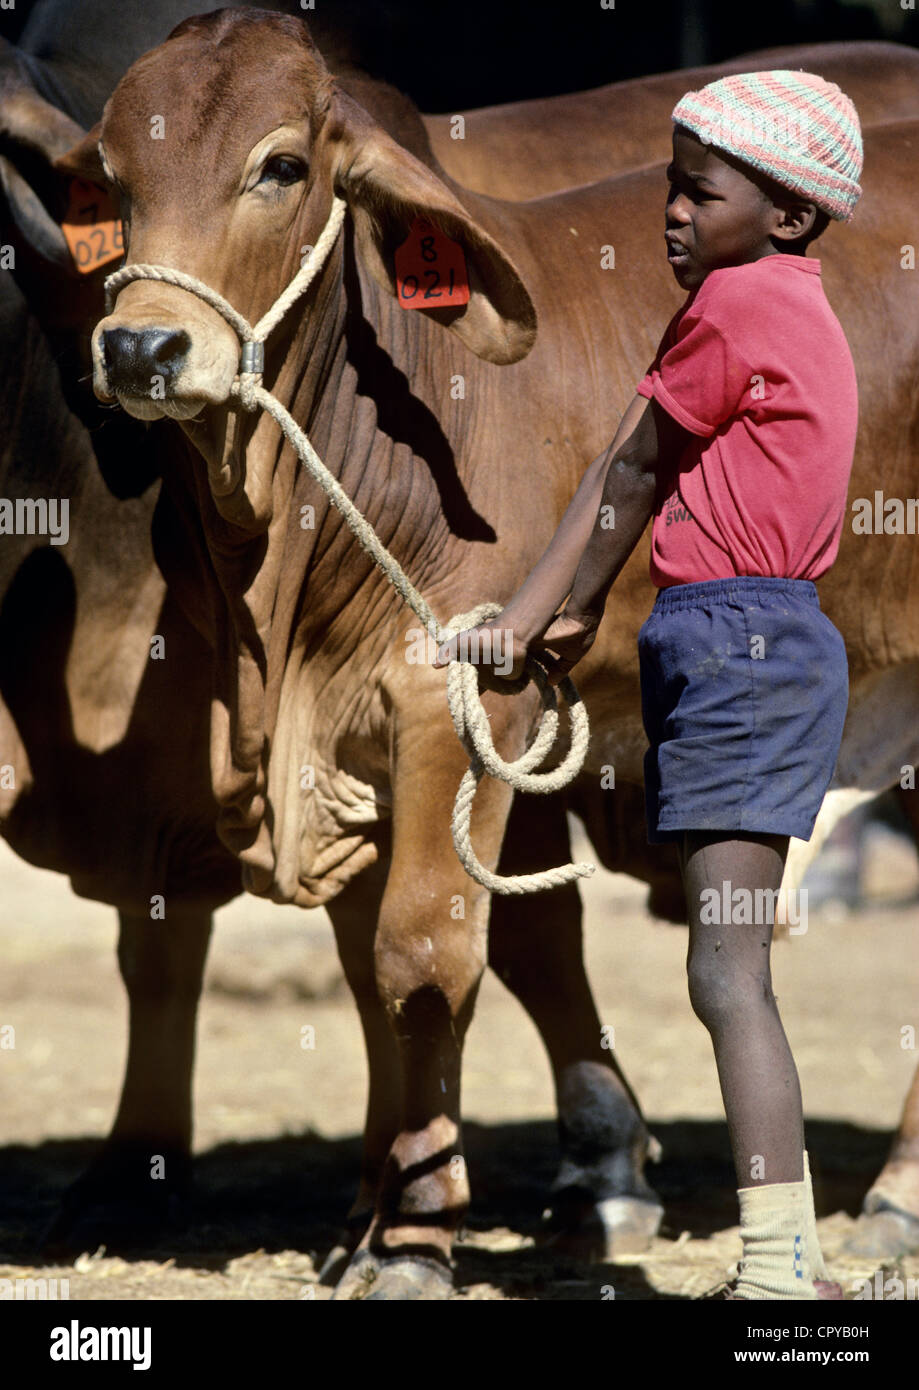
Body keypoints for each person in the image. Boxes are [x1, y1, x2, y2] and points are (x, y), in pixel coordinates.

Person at [434, 70, 863, 1300]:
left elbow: (626, 470)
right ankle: (789, 1260)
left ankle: (783, 1271)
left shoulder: (734, 304)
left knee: (726, 972)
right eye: (670, 185)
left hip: (737, 643)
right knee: (728, 965)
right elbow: (666, 479)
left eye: (696, 190)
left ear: (784, 215)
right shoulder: (787, 302)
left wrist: (521, 621)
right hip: (747, 636)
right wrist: (574, 613)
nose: (667, 211)